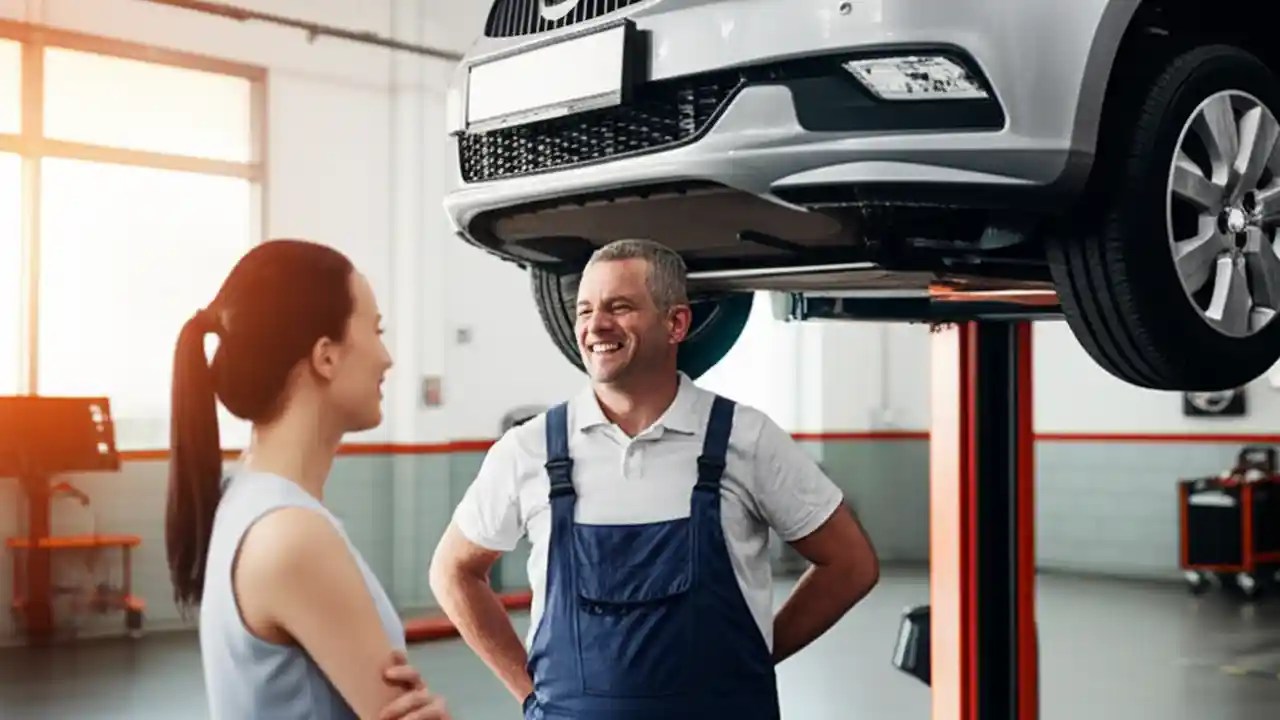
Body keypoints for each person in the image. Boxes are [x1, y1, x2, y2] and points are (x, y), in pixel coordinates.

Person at [429, 238, 881, 719]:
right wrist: (530, 693)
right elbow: (453, 571)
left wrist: (755, 659)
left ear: (676, 323)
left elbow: (850, 564)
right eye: (584, 310)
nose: (596, 325)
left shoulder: (746, 440)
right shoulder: (531, 448)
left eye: (619, 306)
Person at [164, 239, 449, 720]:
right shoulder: (292, 536)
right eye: (376, 330)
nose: (387, 358)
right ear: (326, 356)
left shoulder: (244, 497)